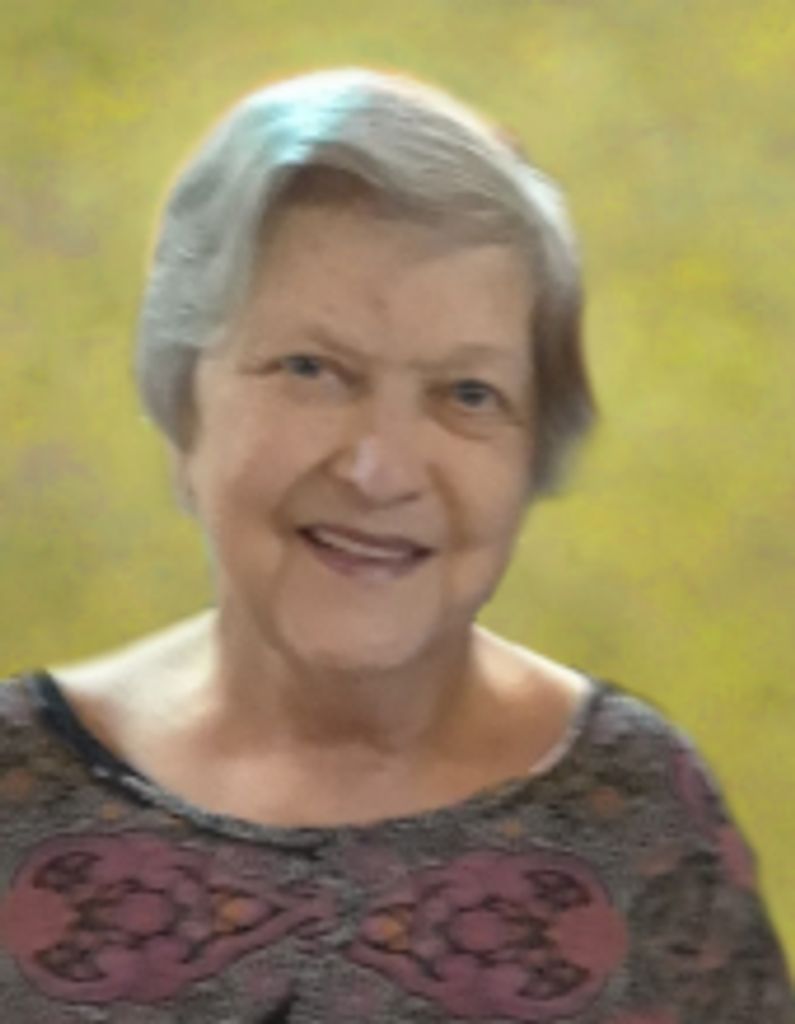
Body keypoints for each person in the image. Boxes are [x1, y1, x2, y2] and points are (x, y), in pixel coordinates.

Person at [0, 68, 790, 1022]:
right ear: (183, 406)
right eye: (312, 369)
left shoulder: (638, 812)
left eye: (467, 395)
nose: (380, 470)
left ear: (532, 453)